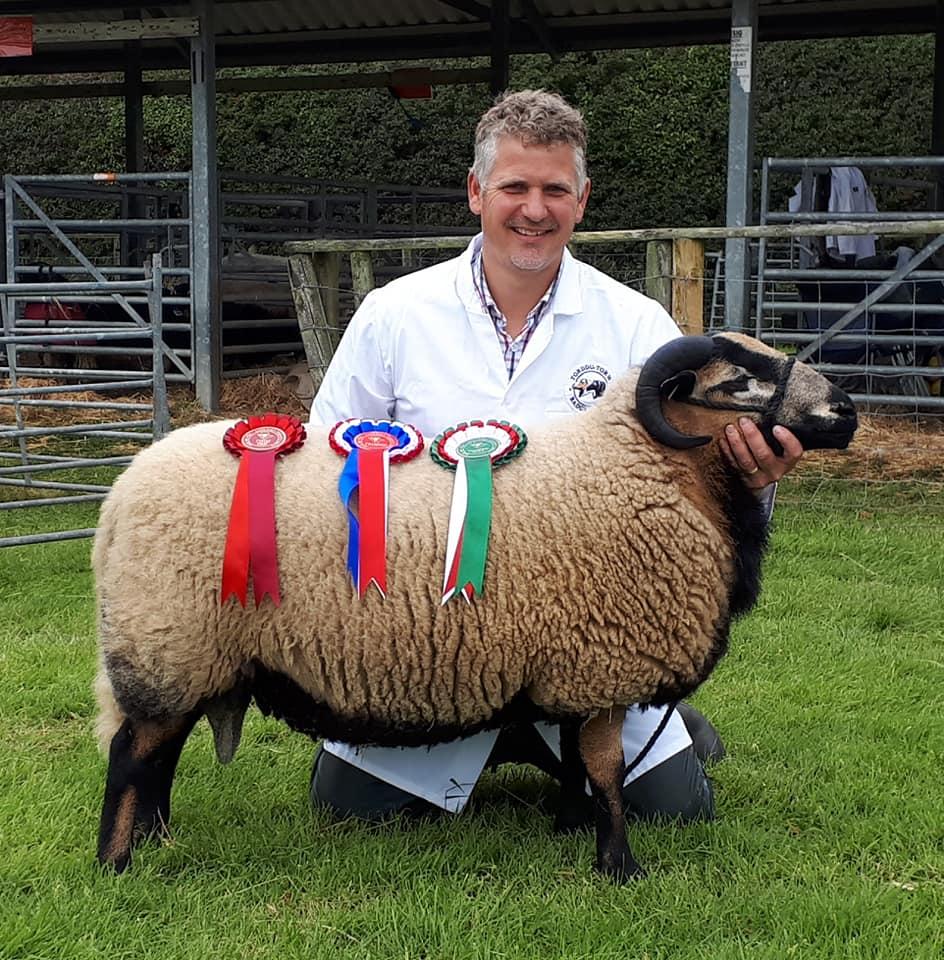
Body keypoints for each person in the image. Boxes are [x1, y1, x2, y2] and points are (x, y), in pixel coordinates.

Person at [307, 89, 803, 825]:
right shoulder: (393, 315)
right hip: (437, 642)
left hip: (588, 640)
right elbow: (326, 465)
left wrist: (751, 478)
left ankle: (663, 726)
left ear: (582, 199)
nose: (534, 210)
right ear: (476, 191)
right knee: (347, 809)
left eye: (555, 190)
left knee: (674, 812)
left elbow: (698, 489)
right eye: (515, 186)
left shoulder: (638, 326)